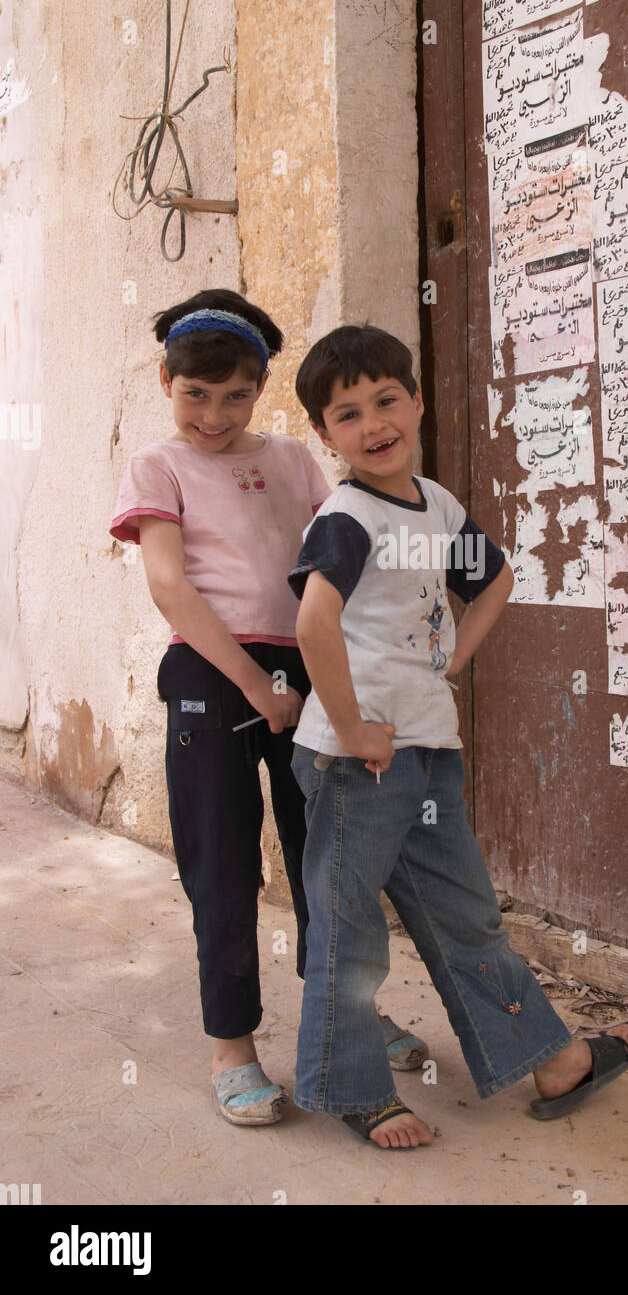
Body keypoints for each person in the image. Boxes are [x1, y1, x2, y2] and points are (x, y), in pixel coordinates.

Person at [288, 323, 628, 1148]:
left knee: (467, 914)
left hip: (424, 750)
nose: (373, 423)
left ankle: (548, 1059)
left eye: (387, 401)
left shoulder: (436, 503)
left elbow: (496, 581)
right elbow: (314, 626)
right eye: (348, 414)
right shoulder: (346, 516)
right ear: (323, 434)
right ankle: (353, 1089)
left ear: (415, 401)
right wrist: (351, 729)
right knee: (350, 926)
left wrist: (450, 657)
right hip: (355, 759)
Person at [108, 291, 428, 1126]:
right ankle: (233, 1049)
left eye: (235, 395)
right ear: (165, 380)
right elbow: (170, 587)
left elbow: (335, 561)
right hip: (211, 678)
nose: (213, 416)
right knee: (222, 866)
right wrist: (256, 688)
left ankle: (347, 1012)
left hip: (307, 670)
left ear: (261, 389)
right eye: (194, 395)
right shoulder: (157, 466)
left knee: (330, 855)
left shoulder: (292, 461)